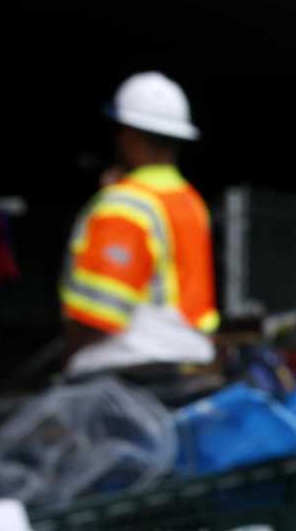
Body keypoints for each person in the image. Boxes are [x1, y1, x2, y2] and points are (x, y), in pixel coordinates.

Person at [58, 72, 218, 376]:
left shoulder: (124, 204)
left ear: (129, 134)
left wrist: (68, 369)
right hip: (188, 360)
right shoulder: (190, 201)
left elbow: (98, 311)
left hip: (129, 368)